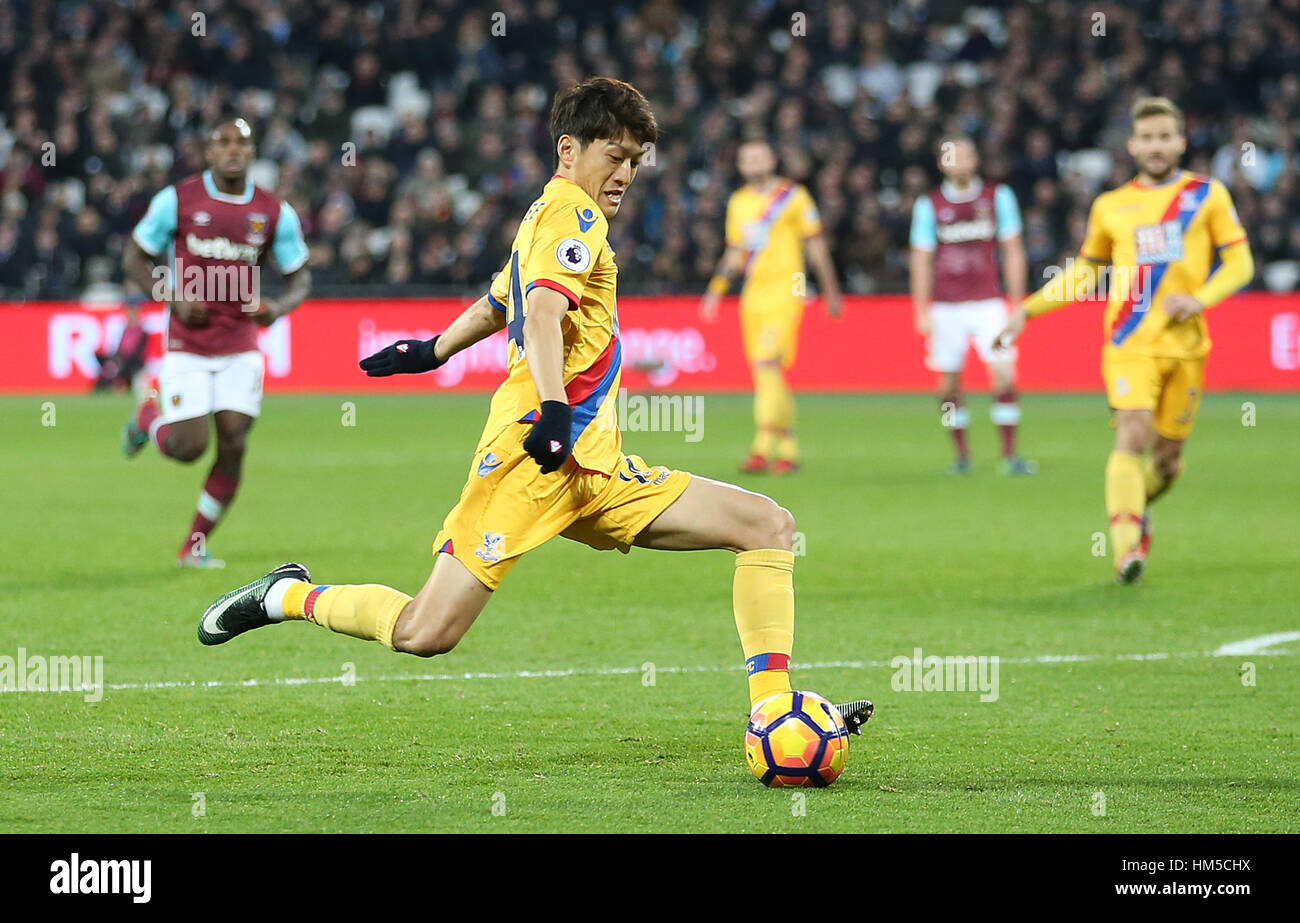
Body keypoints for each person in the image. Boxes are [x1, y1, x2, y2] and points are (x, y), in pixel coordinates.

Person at [196, 79, 872, 733]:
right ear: (569, 150)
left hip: (595, 469)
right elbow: (542, 313)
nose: (626, 174)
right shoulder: (570, 213)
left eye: (635, 161)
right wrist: (552, 408)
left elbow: (503, 296)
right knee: (424, 633)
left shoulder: (551, 216)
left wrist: (435, 349)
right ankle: (285, 594)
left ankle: (773, 713)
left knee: (767, 524)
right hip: (532, 456)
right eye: (615, 155)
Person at [997, 98, 1253, 583]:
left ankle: (1137, 509)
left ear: (1180, 141)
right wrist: (1027, 310)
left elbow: (1240, 263)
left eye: (1165, 137)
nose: (1156, 147)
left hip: (1187, 345)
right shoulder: (1110, 206)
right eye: (1147, 138)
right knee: (1132, 432)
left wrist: (1200, 299)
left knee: (1169, 464)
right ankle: (1125, 550)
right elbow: (1085, 274)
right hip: (1128, 342)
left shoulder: (1207, 195)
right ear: (1132, 145)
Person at [121, 117, 312, 568]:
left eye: (241, 143)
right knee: (189, 447)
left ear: (252, 152)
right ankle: (148, 418)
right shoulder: (178, 200)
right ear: (208, 152)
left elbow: (300, 275)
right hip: (188, 343)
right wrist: (172, 297)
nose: (232, 150)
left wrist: (279, 307)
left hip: (241, 343)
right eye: (222, 142)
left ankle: (195, 546)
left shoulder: (273, 211)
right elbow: (134, 257)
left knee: (233, 441)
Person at [699, 140, 842, 475]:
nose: (753, 163)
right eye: (746, 158)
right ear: (740, 166)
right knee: (768, 373)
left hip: (787, 291)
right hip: (753, 297)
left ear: (773, 160)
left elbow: (816, 246)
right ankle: (789, 448)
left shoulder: (794, 197)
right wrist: (715, 290)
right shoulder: (738, 202)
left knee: (766, 362)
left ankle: (761, 446)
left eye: (759, 157)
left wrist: (832, 291)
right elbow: (735, 252)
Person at [909, 136, 1034, 475]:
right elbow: (922, 258)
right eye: (951, 155)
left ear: (975, 160)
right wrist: (921, 309)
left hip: (988, 302)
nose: (958, 161)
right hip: (945, 306)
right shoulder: (929, 205)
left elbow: (1012, 249)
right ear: (941, 164)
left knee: (1004, 375)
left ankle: (1009, 456)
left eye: (964, 154)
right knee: (948, 385)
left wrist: (1017, 301)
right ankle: (961, 455)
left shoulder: (997, 197)